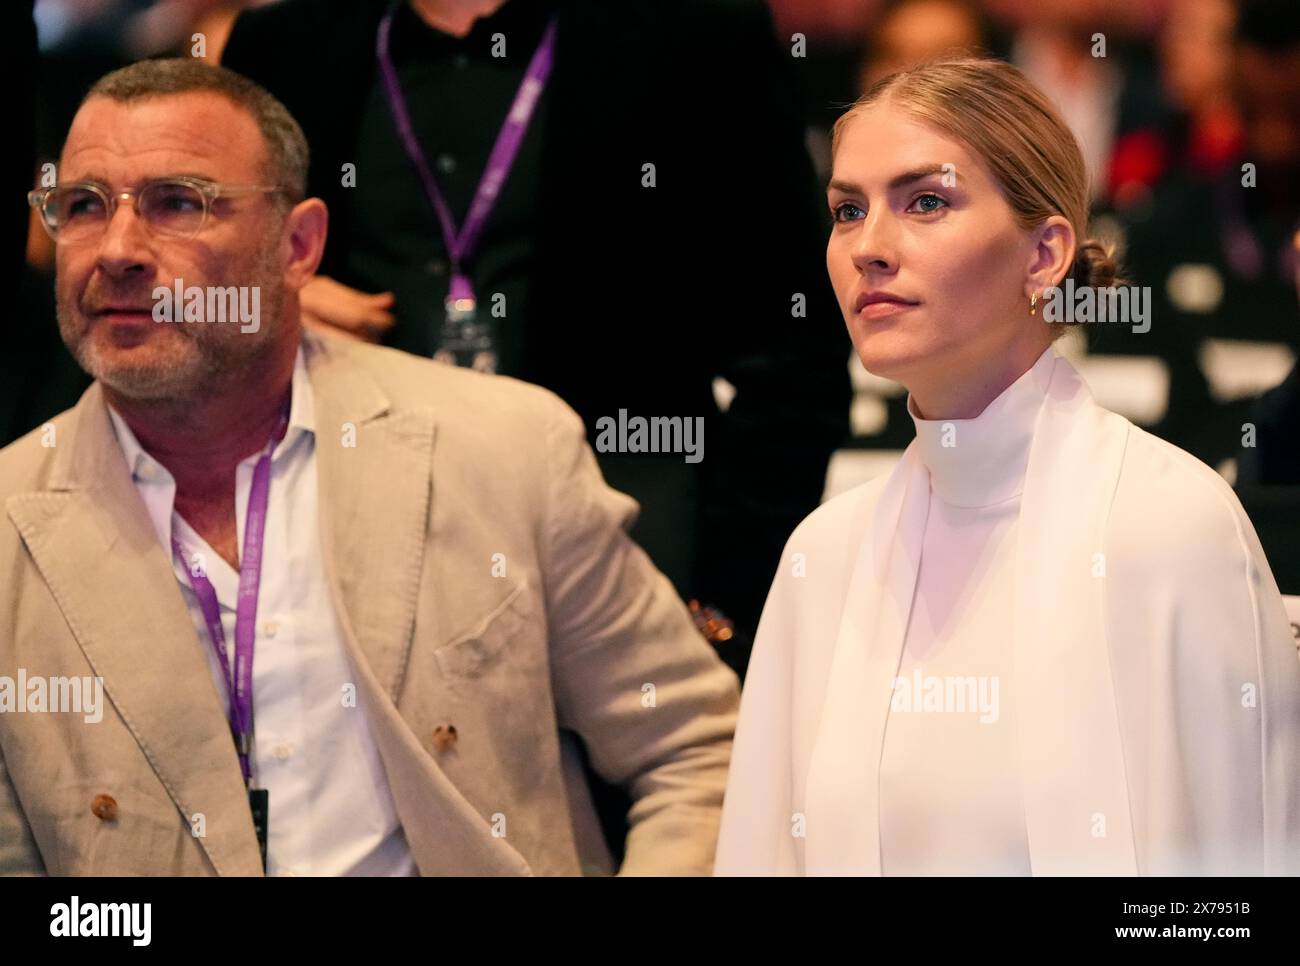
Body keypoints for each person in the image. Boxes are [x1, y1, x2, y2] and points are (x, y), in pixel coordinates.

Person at [0, 58, 738, 876]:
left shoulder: (500, 449)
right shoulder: (7, 528)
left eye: (179, 203)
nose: (119, 250)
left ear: (299, 244)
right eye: (82, 207)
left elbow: (695, 749)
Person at [714, 58, 1300, 876]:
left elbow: (1243, 883)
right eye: (847, 210)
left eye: (926, 202)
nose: (868, 248)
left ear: (1045, 253)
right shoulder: (822, 558)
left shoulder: (1172, 527)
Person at [218, 0, 853, 682]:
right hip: (339, 559)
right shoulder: (283, 44)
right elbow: (192, 288)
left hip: (617, 564)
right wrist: (260, 295)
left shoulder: (694, 34)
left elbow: (795, 352)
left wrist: (723, 609)